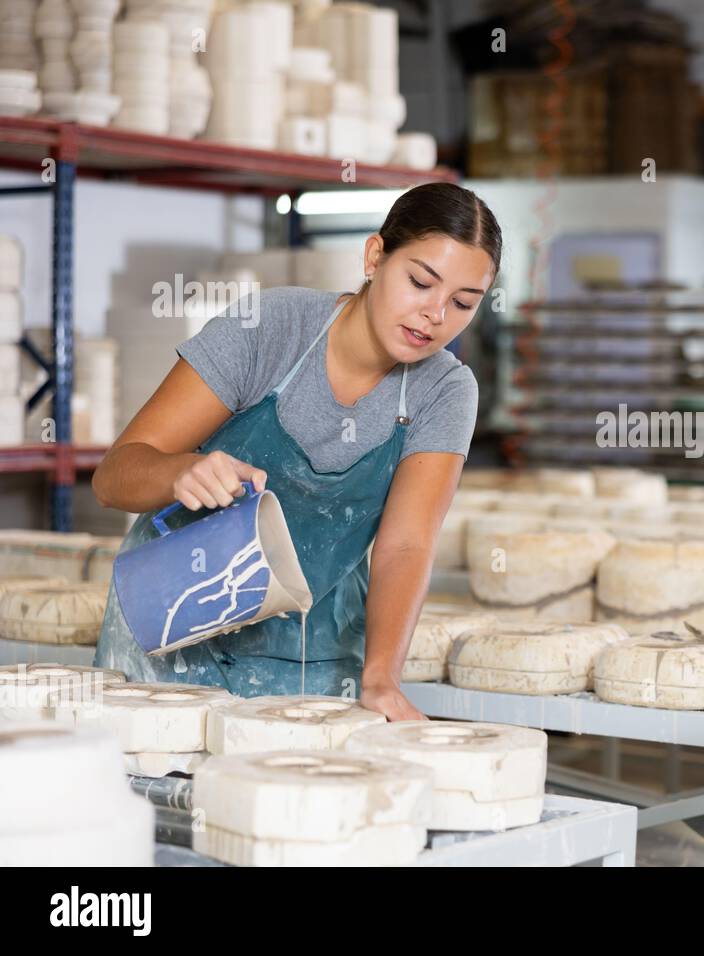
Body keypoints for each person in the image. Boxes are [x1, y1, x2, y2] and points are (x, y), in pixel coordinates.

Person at [91, 182, 500, 721]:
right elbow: (114, 476)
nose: (434, 315)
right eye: (421, 282)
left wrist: (380, 677)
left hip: (310, 652)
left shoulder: (445, 390)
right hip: (167, 638)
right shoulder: (267, 329)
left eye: (462, 303)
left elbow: (405, 545)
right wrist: (179, 471)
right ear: (375, 256)